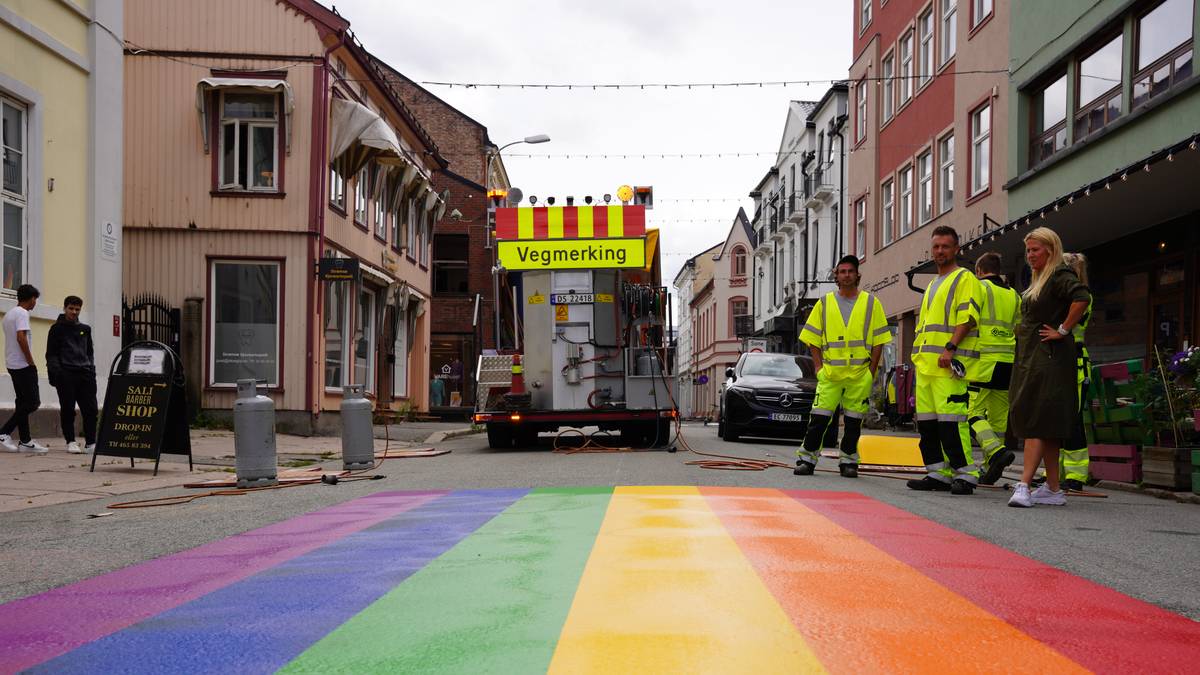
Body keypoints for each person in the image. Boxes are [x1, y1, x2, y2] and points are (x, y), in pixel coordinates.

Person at [1008, 228, 1091, 508]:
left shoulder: (1058, 275)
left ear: (1051, 250)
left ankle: (1024, 484)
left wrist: (1063, 330)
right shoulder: (1041, 278)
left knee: (1037, 417)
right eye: (1028, 250)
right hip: (1036, 357)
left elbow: (1082, 296)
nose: (1030, 255)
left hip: (1049, 359)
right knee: (1048, 424)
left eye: (1036, 250)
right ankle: (1053, 488)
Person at [795, 255, 891, 478]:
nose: (846, 275)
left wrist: (871, 371)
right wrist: (818, 367)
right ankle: (806, 460)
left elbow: (879, 340)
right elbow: (812, 338)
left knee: (853, 422)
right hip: (830, 373)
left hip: (859, 374)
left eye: (850, 271)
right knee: (818, 418)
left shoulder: (871, 303)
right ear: (836, 276)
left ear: (857, 275)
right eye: (842, 271)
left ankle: (848, 462)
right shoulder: (825, 303)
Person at [906, 226, 983, 495]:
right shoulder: (932, 285)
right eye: (936, 246)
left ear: (956, 250)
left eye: (945, 246)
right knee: (928, 426)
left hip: (947, 364)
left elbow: (968, 318)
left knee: (952, 423)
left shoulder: (964, 278)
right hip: (927, 366)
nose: (940, 251)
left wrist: (950, 348)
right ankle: (938, 473)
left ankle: (966, 474)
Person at [969, 252, 1021, 485]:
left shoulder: (979, 288)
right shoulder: (1014, 295)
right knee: (999, 419)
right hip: (1007, 360)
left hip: (983, 359)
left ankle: (996, 453)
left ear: (979, 271)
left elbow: (968, 320)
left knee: (971, 412)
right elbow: (1018, 328)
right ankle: (991, 466)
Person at [46, 295, 98, 454]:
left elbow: (90, 352)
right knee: (68, 409)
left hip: (85, 374)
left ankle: (91, 443)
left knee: (91, 409)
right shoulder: (56, 329)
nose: (74, 312)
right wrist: (58, 373)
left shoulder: (85, 329)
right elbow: (51, 354)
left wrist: (91, 369)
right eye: (71, 308)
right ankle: (71, 441)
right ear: (65, 308)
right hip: (66, 374)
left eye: (77, 309)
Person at [1059, 252, 1093, 493]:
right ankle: (1058, 473)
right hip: (1068, 361)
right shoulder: (1078, 294)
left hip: (1075, 363)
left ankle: (1076, 475)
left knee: (1072, 420)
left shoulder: (1079, 296)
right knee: (1060, 420)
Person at [0, 284, 47, 454]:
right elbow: (21, 338)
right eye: (35, 299)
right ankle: (4, 432)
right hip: (23, 365)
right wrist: (31, 362)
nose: (35, 303)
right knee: (33, 403)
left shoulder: (9, 314)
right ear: (32, 298)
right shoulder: (22, 313)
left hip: (12, 364)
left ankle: (25, 441)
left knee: (22, 403)